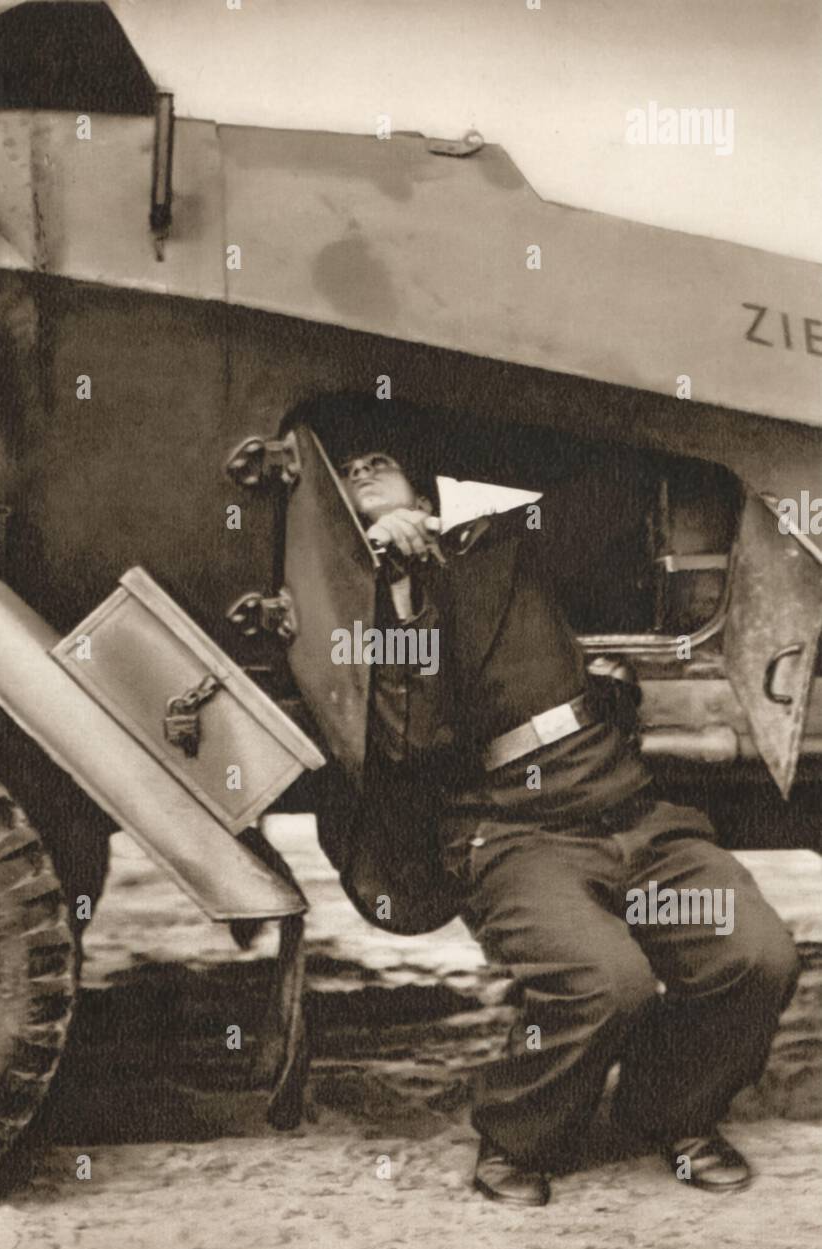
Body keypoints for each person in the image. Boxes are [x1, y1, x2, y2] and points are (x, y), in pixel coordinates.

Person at [332, 447, 800, 1208]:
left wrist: (444, 522)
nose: (363, 476)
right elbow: (405, 743)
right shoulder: (370, 604)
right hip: (517, 834)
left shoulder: (507, 538)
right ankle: (520, 1138)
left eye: (377, 463)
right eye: (349, 476)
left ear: (424, 481)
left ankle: (671, 1116)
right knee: (604, 984)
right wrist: (399, 585)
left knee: (758, 956)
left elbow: (612, 492)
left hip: (634, 813)